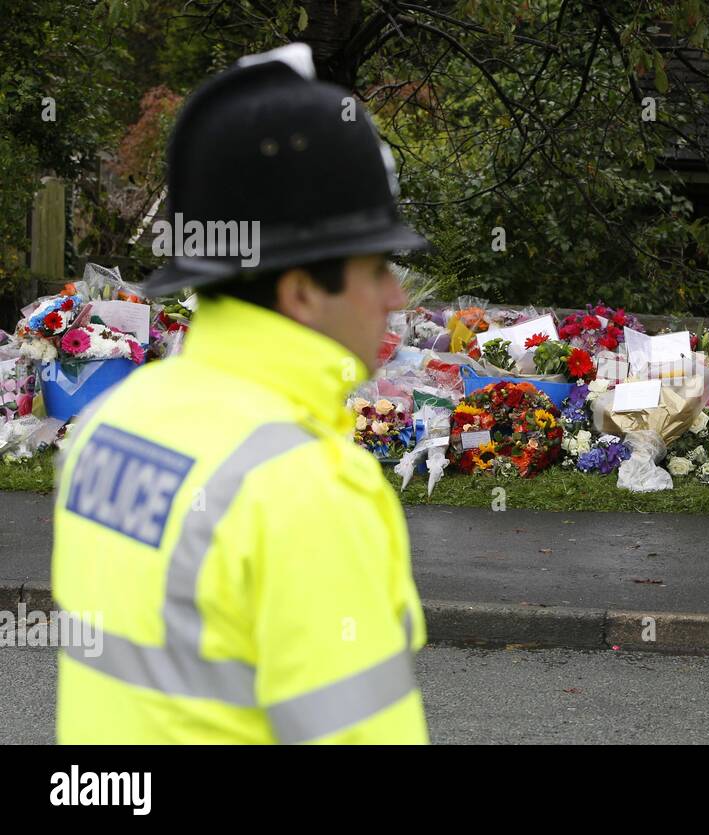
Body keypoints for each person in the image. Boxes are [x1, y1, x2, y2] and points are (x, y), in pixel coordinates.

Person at [52, 44, 431, 743]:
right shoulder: (306, 489)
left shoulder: (109, 423)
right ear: (302, 290)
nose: (395, 296)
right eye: (377, 267)